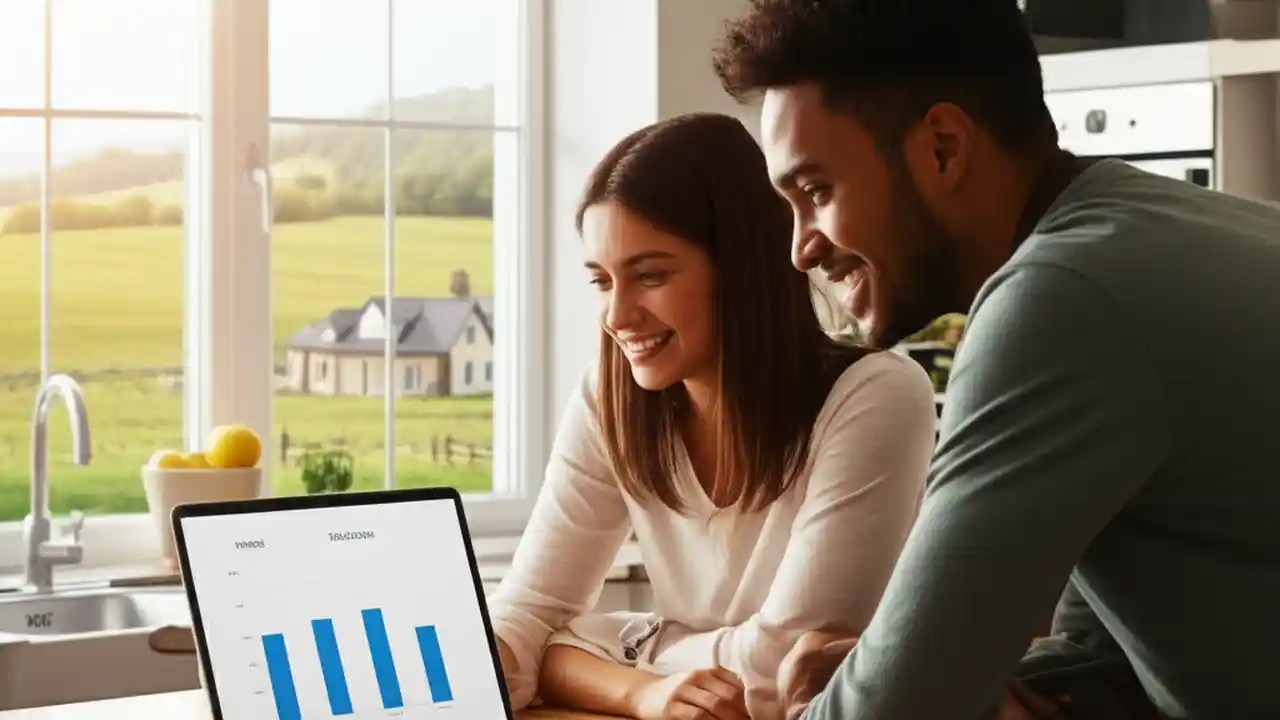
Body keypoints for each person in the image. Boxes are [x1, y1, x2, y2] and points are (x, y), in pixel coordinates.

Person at [711, 1, 1280, 718]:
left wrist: (811, 705)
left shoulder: (1061, 299)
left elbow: (898, 711)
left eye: (817, 193)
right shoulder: (1149, 238)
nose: (801, 248)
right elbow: (1101, 659)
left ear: (943, 146)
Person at [486, 113, 937, 719]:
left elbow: (783, 668)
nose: (617, 315)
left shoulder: (876, 396)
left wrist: (603, 648)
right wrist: (637, 691)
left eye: (649, 275)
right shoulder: (612, 398)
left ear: (742, 268)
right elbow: (532, 614)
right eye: (600, 281)